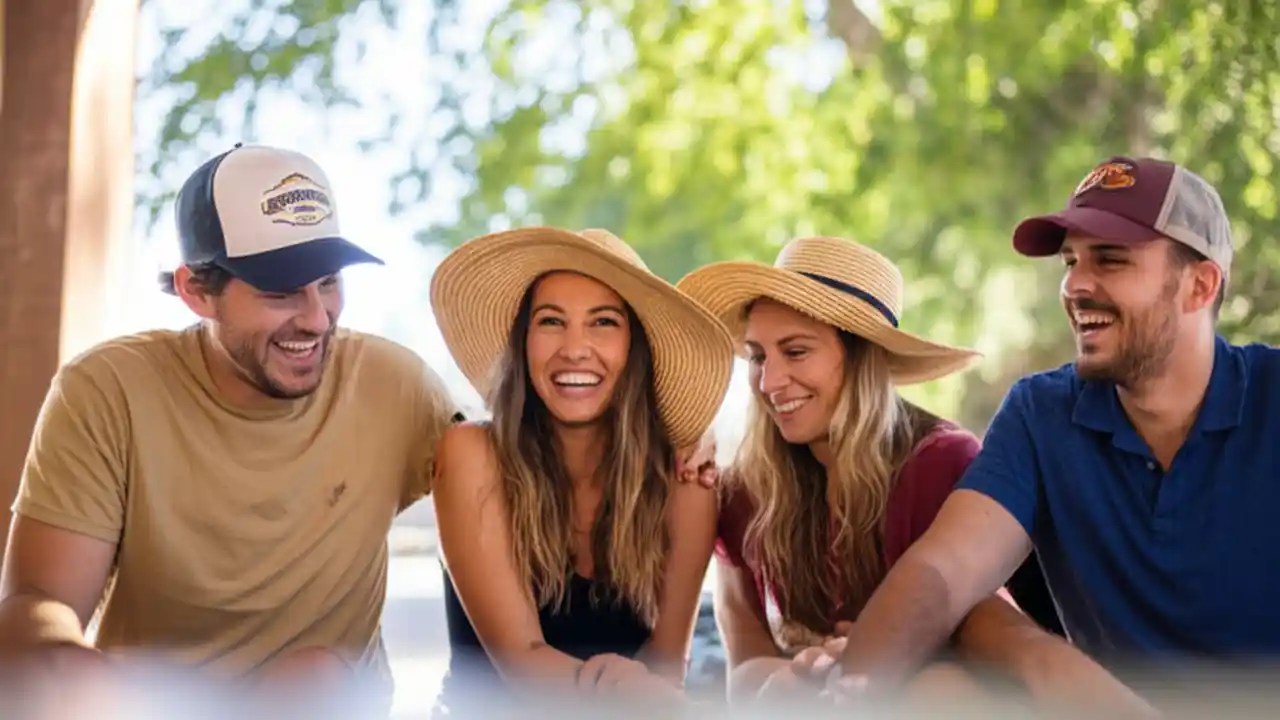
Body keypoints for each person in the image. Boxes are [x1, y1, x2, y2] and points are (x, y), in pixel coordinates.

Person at [0, 144, 462, 716]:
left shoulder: (397, 388)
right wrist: (65, 665)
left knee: (315, 676)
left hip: (323, 705)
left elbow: (518, 494)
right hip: (155, 709)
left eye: (328, 283)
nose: (317, 318)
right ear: (197, 291)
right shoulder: (106, 390)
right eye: (280, 291)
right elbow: (40, 600)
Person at [822, 156, 1265, 714]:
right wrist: (853, 687)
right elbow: (944, 571)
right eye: (1071, 261)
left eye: (1110, 260)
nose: (1076, 285)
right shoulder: (1042, 413)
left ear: (1199, 286)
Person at [677, 236, 1074, 712]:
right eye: (758, 356)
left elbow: (993, 645)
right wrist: (793, 678)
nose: (768, 382)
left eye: (796, 352)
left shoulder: (943, 465)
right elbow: (743, 668)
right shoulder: (745, 488)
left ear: (864, 358)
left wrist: (881, 663)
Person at [427, 227, 733, 714]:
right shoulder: (472, 453)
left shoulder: (684, 478)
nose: (574, 348)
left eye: (603, 323)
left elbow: (667, 662)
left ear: (636, 347)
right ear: (522, 343)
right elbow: (522, 665)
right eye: (551, 322)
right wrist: (633, 692)